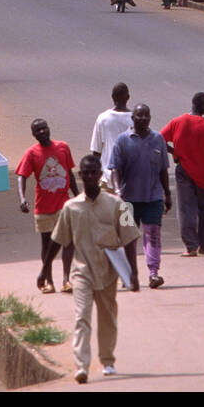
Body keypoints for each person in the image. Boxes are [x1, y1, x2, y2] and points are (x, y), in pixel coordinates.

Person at [51, 155, 141, 383]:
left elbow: (130, 239)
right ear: (80, 176)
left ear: (100, 175)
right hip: (81, 272)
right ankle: (81, 366)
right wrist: (45, 269)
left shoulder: (118, 204)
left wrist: (134, 273)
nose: (90, 177)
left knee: (108, 317)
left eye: (94, 173)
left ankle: (108, 360)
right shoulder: (70, 207)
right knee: (82, 317)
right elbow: (61, 241)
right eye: (86, 173)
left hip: (108, 272)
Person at [105, 104, 171, 291]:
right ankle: (128, 274)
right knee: (128, 239)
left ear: (150, 118)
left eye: (146, 116)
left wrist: (167, 194)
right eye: (139, 116)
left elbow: (163, 170)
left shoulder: (158, 139)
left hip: (153, 198)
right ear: (132, 118)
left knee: (153, 235)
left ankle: (153, 273)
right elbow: (115, 169)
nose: (143, 119)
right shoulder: (123, 140)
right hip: (128, 202)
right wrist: (118, 191)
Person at [17, 118, 77, 294]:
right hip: (43, 207)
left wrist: (78, 196)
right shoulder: (31, 153)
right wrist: (22, 198)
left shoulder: (63, 147)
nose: (42, 132)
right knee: (48, 245)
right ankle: (49, 281)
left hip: (63, 204)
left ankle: (66, 279)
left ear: (49, 129)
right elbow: (22, 176)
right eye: (37, 130)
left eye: (44, 128)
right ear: (33, 135)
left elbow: (70, 174)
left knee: (68, 241)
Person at [161, 93, 204, 257]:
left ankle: (190, 247)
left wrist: (175, 152)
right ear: (201, 106)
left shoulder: (177, 122)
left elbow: (160, 138)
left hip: (184, 171)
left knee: (186, 209)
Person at [89, 82, 133, 171]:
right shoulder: (135, 119)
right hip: (130, 177)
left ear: (112, 97)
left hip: (107, 175)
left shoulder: (103, 118)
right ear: (128, 97)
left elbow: (96, 151)